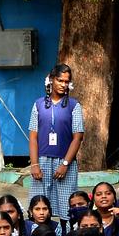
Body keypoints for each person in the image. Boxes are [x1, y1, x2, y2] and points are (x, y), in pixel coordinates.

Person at [29, 64, 84, 212]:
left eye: (67, 81)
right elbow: (33, 137)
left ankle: (66, 234)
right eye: (60, 80)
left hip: (65, 162)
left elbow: (77, 137)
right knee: (39, 207)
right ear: (51, 80)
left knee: (67, 208)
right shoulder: (38, 104)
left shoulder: (74, 105)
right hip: (42, 162)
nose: (63, 85)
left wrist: (65, 164)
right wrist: (34, 165)